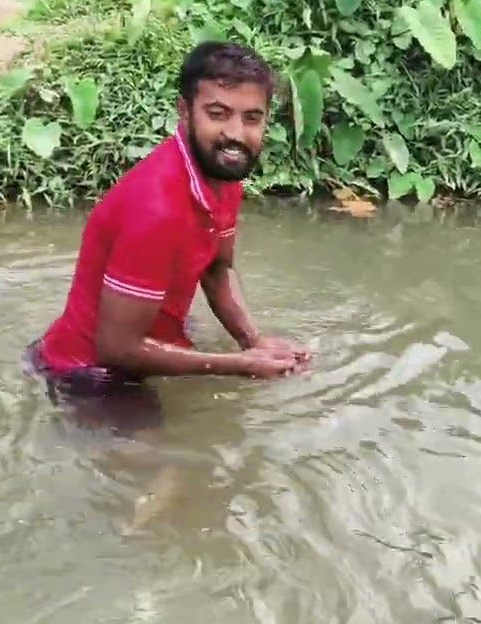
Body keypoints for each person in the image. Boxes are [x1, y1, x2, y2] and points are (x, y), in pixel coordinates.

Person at [23, 40, 307, 530]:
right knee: (174, 479)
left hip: (135, 341)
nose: (236, 133)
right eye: (218, 113)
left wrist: (252, 340)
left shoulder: (223, 172)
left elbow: (216, 269)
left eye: (252, 118)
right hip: (90, 374)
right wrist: (237, 366)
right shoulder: (157, 207)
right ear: (184, 110)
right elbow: (115, 350)